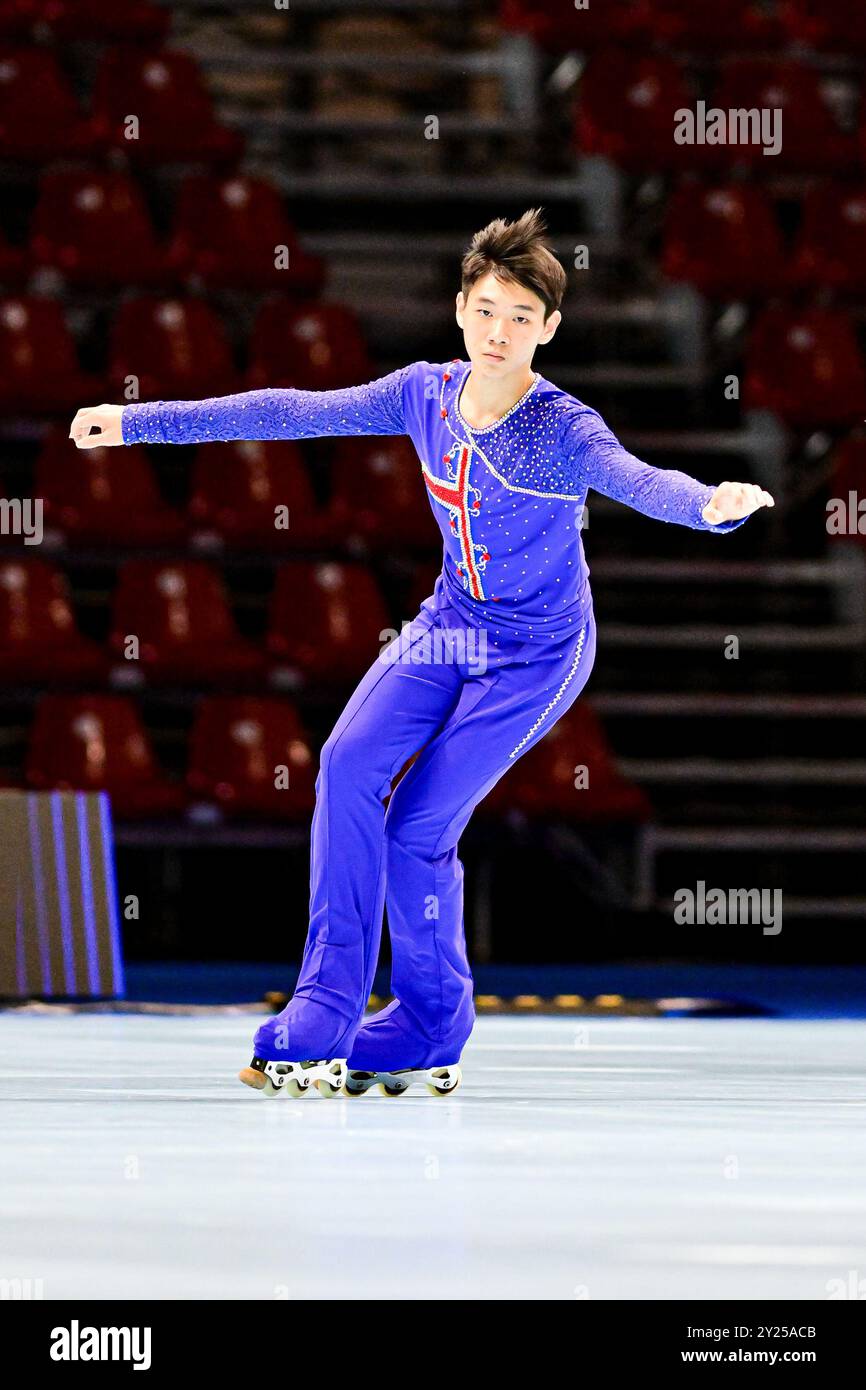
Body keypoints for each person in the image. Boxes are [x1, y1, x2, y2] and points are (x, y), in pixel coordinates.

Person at [69, 208, 774, 1098]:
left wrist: (710, 503)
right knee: (347, 760)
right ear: (459, 311)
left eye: (522, 317)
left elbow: (638, 479)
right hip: (450, 622)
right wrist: (138, 426)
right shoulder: (422, 392)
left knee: (418, 828)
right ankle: (324, 1007)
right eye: (487, 309)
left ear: (549, 330)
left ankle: (428, 1022)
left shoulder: (563, 427)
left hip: (537, 653)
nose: (500, 331)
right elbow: (293, 411)